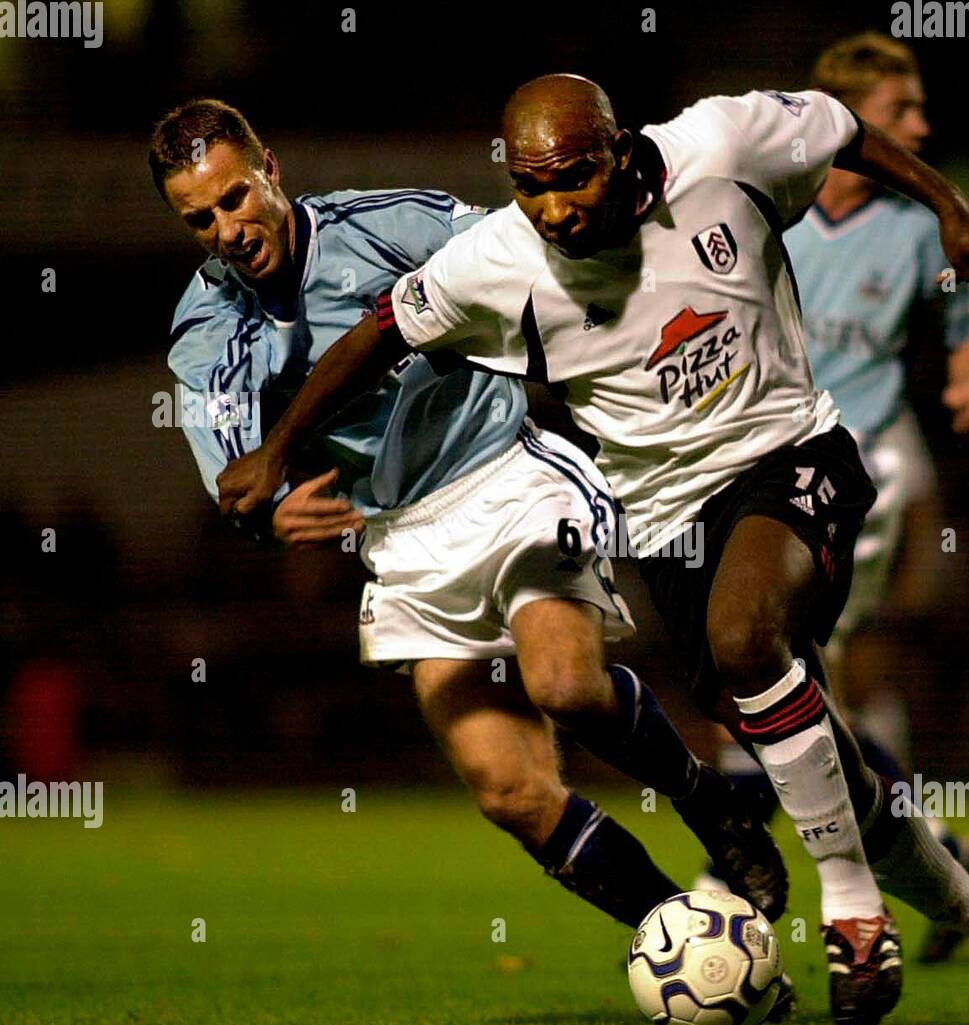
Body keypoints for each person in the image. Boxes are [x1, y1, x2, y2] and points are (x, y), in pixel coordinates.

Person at [215, 76, 969, 1025]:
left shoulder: (723, 146)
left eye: (573, 178)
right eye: (531, 187)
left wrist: (949, 205)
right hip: (666, 528)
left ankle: (852, 912)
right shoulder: (498, 260)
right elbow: (378, 332)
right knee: (831, 775)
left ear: (617, 152)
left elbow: (844, 127)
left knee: (746, 641)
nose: (555, 208)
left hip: (791, 459)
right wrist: (279, 451)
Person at [152, 98, 791, 951]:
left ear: (269, 168)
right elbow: (236, 478)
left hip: (510, 473)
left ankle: (706, 798)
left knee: (563, 684)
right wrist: (268, 513)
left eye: (234, 198)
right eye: (199, 219)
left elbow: (527, 251)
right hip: (404, 542)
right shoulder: (205, 332)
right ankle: (691, 944)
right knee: (510, 793)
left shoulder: (386, 224)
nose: (226, 228)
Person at [712, 31, 969, 965]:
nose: (920, 126)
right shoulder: (766, 212)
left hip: (861, 464)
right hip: (758, 459)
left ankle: (732, 880)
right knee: (818, 681)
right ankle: (934, 856)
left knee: (764, 664)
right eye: (898, 113)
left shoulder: (919, 226)